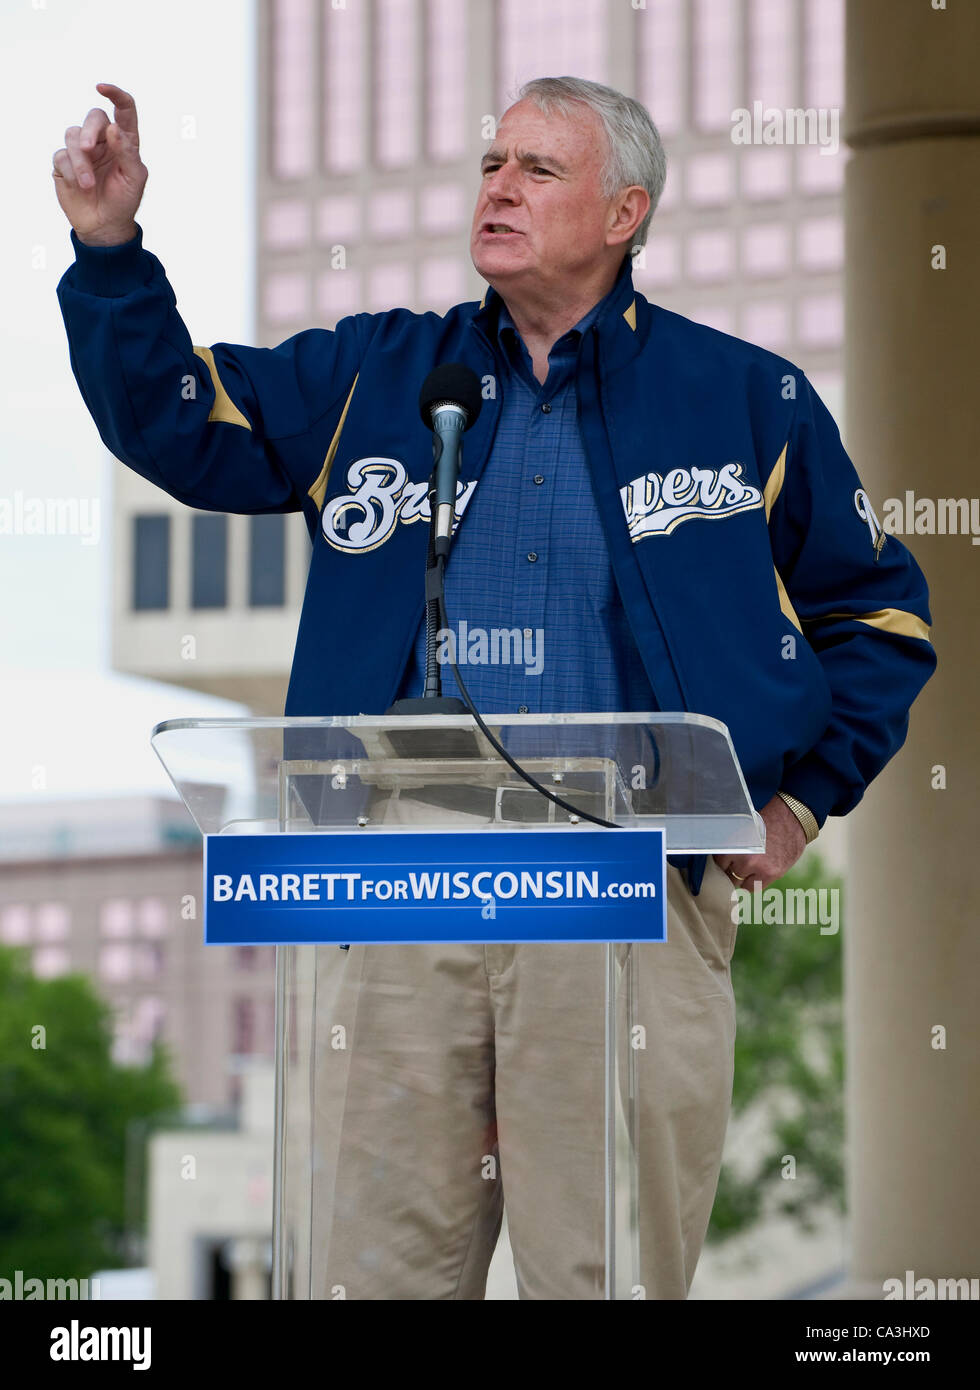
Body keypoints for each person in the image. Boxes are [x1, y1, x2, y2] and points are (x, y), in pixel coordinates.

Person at [54, 77, 935, 1299]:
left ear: (625, 210)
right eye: (490, 164)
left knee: (602, 1276)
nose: (497, 188)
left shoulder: (741, 396)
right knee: (373, 1278)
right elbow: (173, 417)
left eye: (536, 169)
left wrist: (801, 803)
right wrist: (109, 248)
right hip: (389, 875)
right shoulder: (376, 373)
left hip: (624, 868)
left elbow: (880, 615)